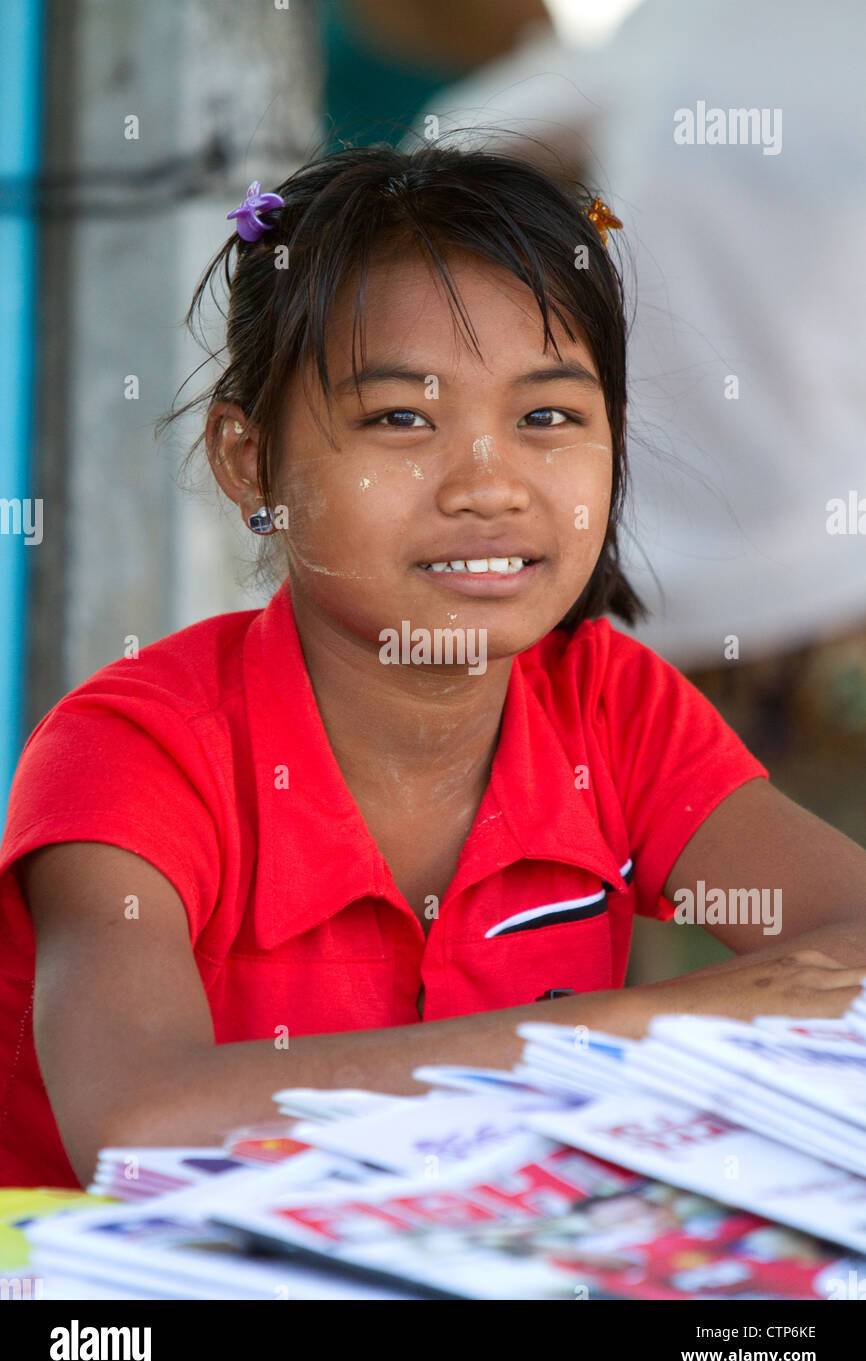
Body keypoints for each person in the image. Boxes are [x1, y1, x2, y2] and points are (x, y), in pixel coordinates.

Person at [1, 143, 865, 1192]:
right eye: (401, 418)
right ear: (249, 459)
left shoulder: (606, 705)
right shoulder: (136, 754)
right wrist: (650, 1022)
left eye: (546, 417)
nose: (489, 486)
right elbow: (140, 1123)